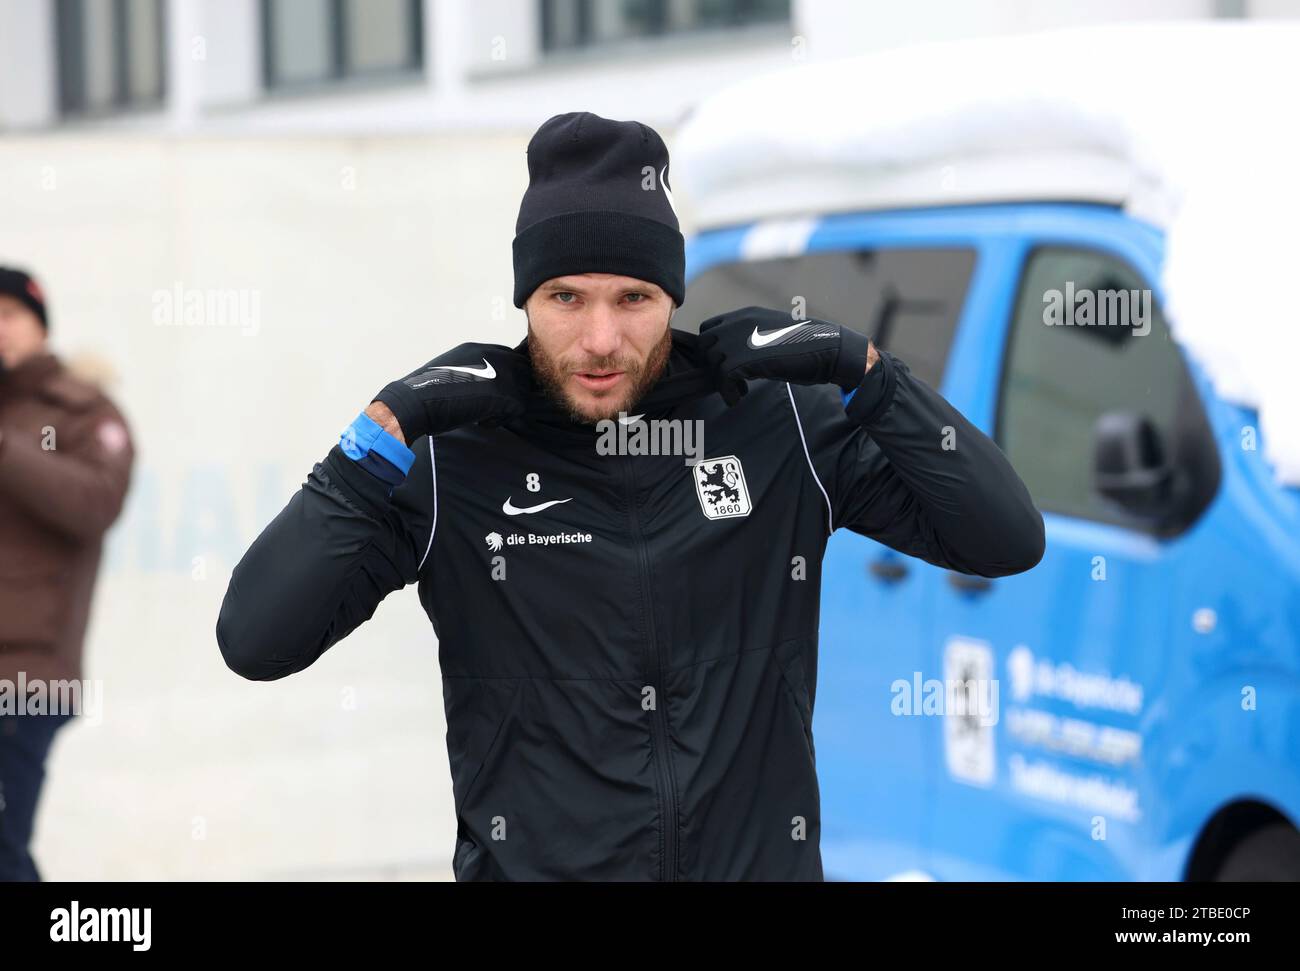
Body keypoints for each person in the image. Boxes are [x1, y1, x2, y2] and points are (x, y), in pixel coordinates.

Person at [217, 112, 1044, 881]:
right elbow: (256, 638)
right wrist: (378, 434)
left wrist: (863, 371)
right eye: (566, 298)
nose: (602, 340)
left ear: (673, 297)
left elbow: (1005, 537)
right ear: (526, 301)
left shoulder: (777, 421)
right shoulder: (451, 456)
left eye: (633, 298)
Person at [0, 266, 134, 881]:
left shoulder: (83, 411)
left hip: (30, 672)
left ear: (39, 322)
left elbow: (94, 503)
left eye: (7, 315)